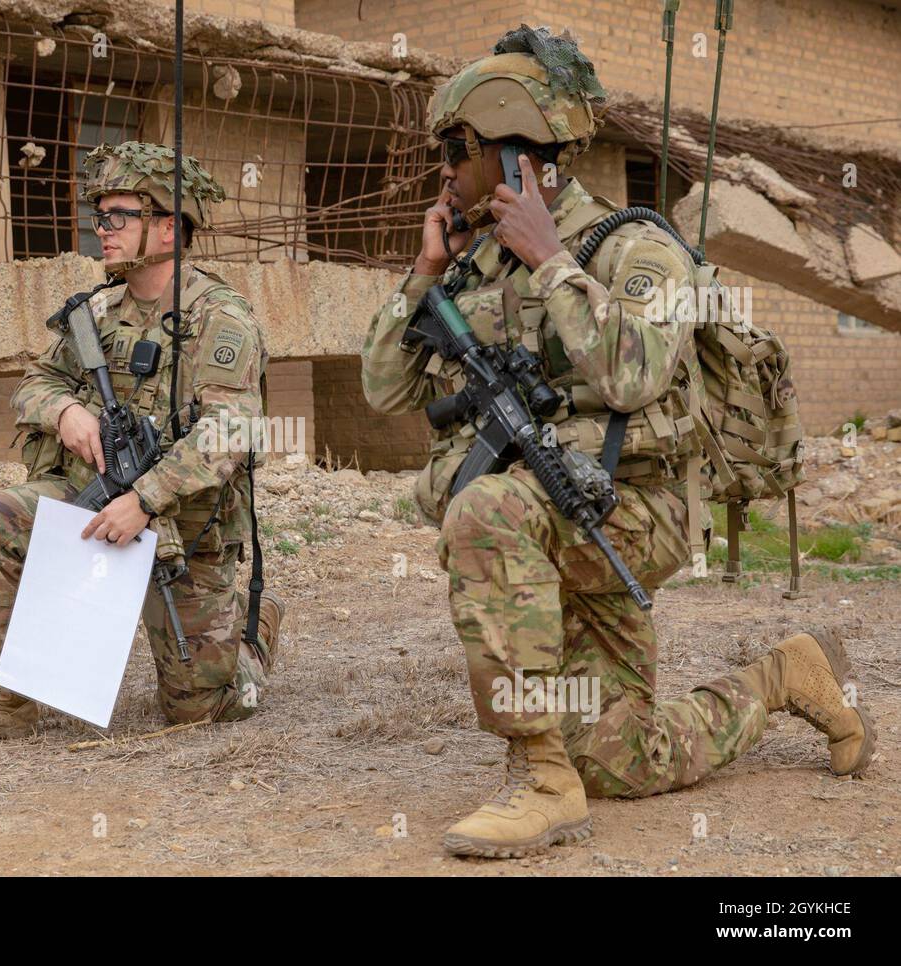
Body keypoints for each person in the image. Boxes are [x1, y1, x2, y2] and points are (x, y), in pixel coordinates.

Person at [360, 26, 875, 858]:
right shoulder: (473, 268)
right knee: (620, 757)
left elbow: (634, 377)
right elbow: (384, 390)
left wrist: (556, 262)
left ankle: (541, 782)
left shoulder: (636, 249)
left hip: (638, 509)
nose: (445, 169)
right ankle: (785, 674)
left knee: (483, 514)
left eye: (457, 147)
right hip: (555, 517)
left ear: (519, 152)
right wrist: (424, 275)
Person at [0, 141, 284, 749]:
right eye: (99, 217)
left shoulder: (221, 319)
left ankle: (256, 633)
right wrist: (64, 411)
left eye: (119, 217)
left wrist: (144, 499)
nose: (102, 231)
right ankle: (8, 699)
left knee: (201, 709)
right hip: (95, 495)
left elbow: (231, 432)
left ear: (168, 228)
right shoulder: (95, 312)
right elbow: (36, 382)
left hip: (186, 526)